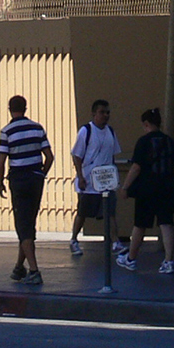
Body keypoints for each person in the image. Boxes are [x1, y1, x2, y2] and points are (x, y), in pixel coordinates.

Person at [0, 94, 54, 286]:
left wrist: (0, 181)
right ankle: (19, 268)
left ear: (9, 109)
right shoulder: (37, 128)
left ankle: (34, 271)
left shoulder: (7, 131)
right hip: (36, 179)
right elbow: (49, 157)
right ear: (26, 108)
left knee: (23, 224)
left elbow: (1, 161)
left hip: (18, 180)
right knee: (29, 221)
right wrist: (41, 173)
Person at [115, 107, 174, 274]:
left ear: (146, 124)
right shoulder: (169, 141)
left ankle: (131, 258)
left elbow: (136, 167)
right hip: (168, 185)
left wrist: (125, 187)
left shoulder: (144, 141)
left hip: (148, 187)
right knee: (166, 223)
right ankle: (169, 261)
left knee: (140, 224)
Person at [68, 98, 120, 256]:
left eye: (107, 112)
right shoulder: (86, 131)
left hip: (106, 180)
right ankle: (74, 239)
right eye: (102, 112)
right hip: (89, 181)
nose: (105, 115)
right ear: (94, 114)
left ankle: (115, 241)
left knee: (110, 212)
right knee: (83, 212)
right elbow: (76, 155)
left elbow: (112, 155)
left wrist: (114, 177)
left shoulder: (110, 132)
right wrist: (81, 176)